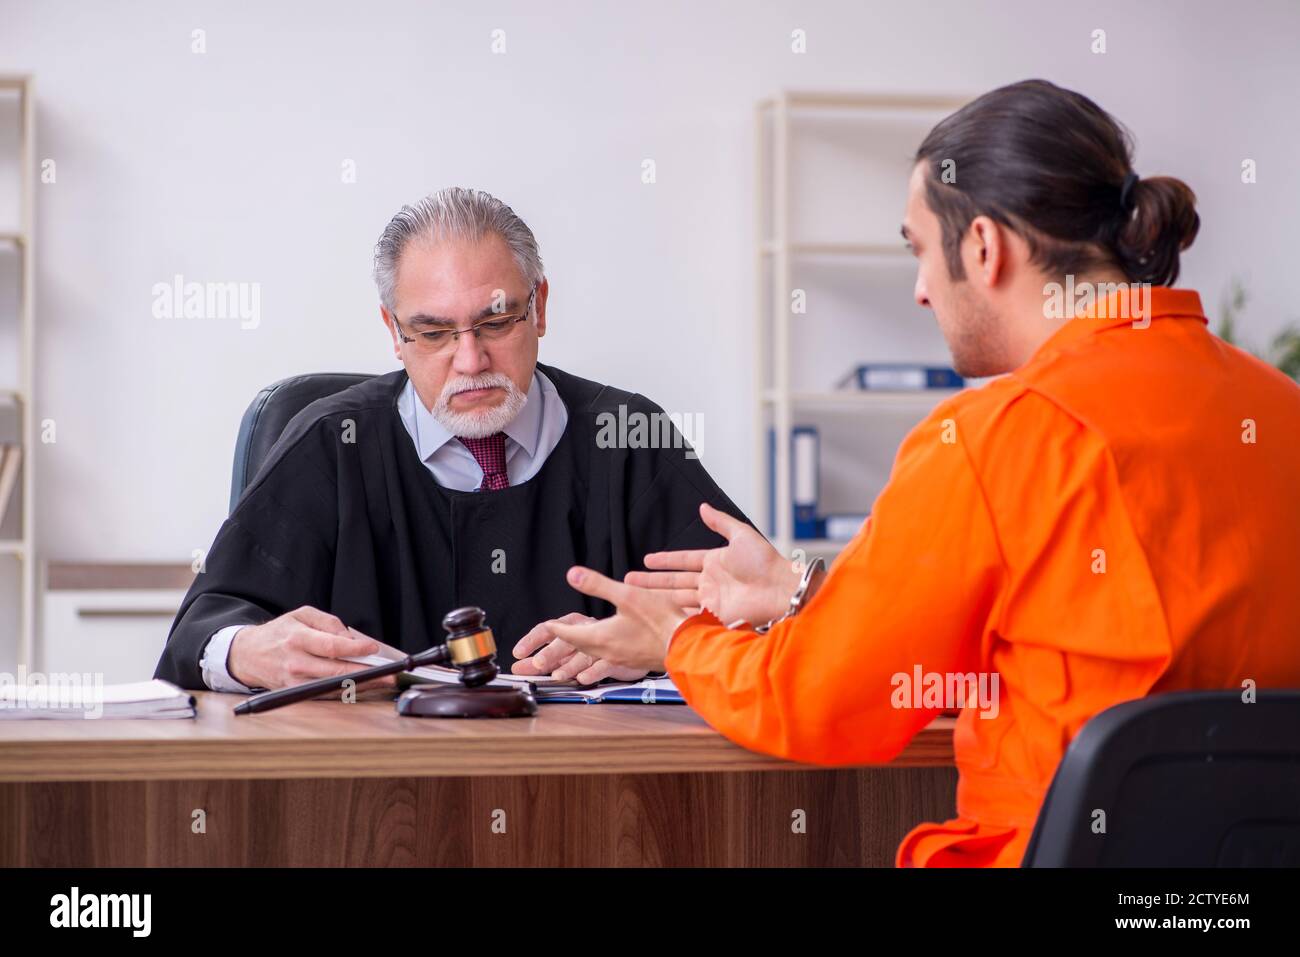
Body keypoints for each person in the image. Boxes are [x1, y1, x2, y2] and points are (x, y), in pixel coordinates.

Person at [538, 79, 1300, 867]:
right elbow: (1076, 632)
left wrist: (680, 638)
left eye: (918, 249)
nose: (920, 289)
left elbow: (821, 703)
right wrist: (808, 591)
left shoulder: (996, 435)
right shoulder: (1281, 410)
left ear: (982, 246)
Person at [154, 187, 747, 693]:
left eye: (494, 322)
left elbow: (761, 621)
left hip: (593, 792)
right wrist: (248, 651)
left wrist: (668, 643)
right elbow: (200, 633)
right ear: (393, 330)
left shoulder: (628, 438)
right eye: (433, 331)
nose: (470, 360)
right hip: (374, 798)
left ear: (539, 307)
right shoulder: (332, 442)